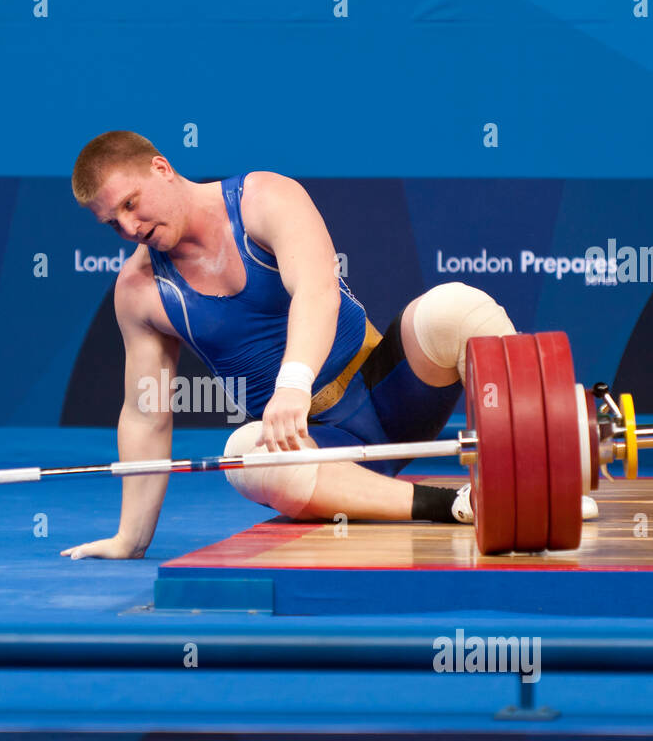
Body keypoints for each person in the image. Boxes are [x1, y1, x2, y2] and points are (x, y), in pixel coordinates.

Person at [61, 131, 522, 561]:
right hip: (315, 446)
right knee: (244, 456)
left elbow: (317, 289)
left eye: (130, 204)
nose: (128, 226)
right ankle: (462, 505)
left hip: (391, 393)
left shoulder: (263, 198)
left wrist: (293, 384)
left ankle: (532, 470)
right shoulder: (140, 291)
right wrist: (131, 538)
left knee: (455, 306)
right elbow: (147, 413)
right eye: (112, 222)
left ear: (161, 168)